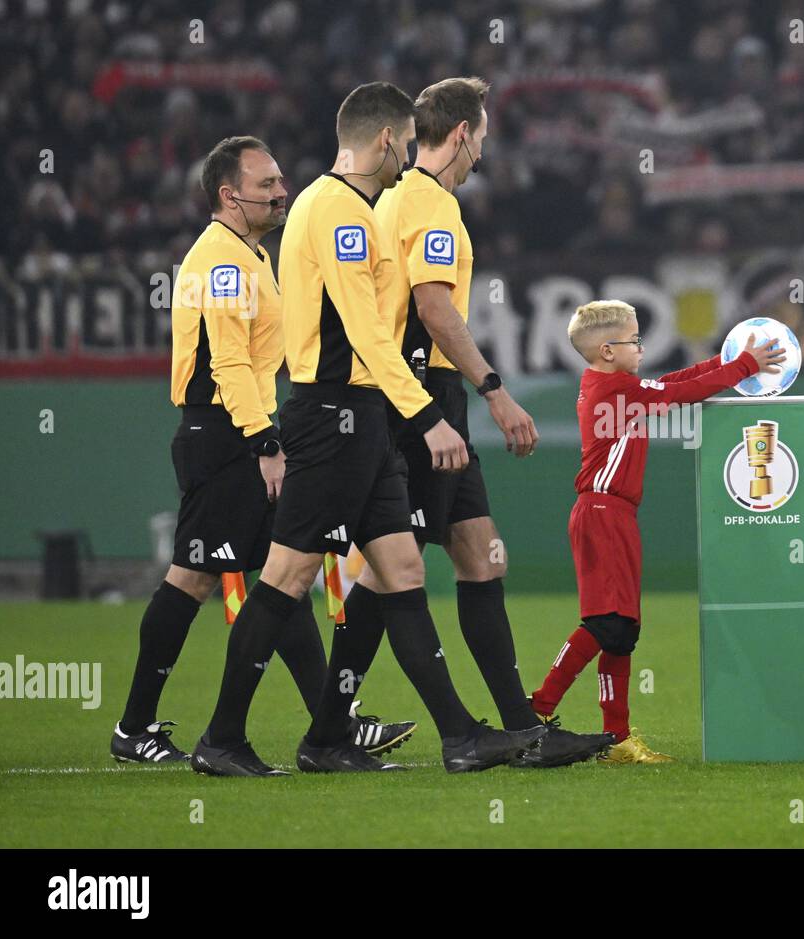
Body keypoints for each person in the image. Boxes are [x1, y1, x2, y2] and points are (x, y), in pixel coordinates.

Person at [190, 83, 545, 777]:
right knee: (287, 575)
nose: (410, 155)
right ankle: (222, 738)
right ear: (387, 140)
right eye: (408, 143)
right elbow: (365, 332)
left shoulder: (354, 210)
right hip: (331, 415)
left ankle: (454, 736)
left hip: (366, 418)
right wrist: (429, 415)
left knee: (402, 568)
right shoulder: (338, 214)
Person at [111, 135, 413, 765]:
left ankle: (333, 724)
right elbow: (228, 364)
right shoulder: (223, 262)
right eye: (267, 185)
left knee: (286, 577)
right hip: (224, 434)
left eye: (279, 182)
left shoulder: (248, 255)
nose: (281, 193)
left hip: (240, 431)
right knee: (194, 579)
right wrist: (265, 441)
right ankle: (135, 727)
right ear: (230, 195)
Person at [372, 76, 614, 768]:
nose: (481, 153)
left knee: (480, 553)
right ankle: (336, 724)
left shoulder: (398, 200)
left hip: (430, 397)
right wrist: (496, 391)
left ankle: (524, 728)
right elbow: (434, 309)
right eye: (480, 138)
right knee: (393, 567)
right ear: (459, 134)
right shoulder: (432, 207)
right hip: (424, 401)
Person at [529, 301, 784, 762]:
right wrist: (746, 366)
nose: (642, 348)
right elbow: (678, 395)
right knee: (605, 624)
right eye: (635, 341)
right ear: (607, 350)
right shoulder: (612, 389)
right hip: (602, 513)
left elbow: (670, 385)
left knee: (622, 630)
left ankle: (617, 739)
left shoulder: (618, 385)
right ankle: (534, 712)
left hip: (615, 515)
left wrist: (726, 362)